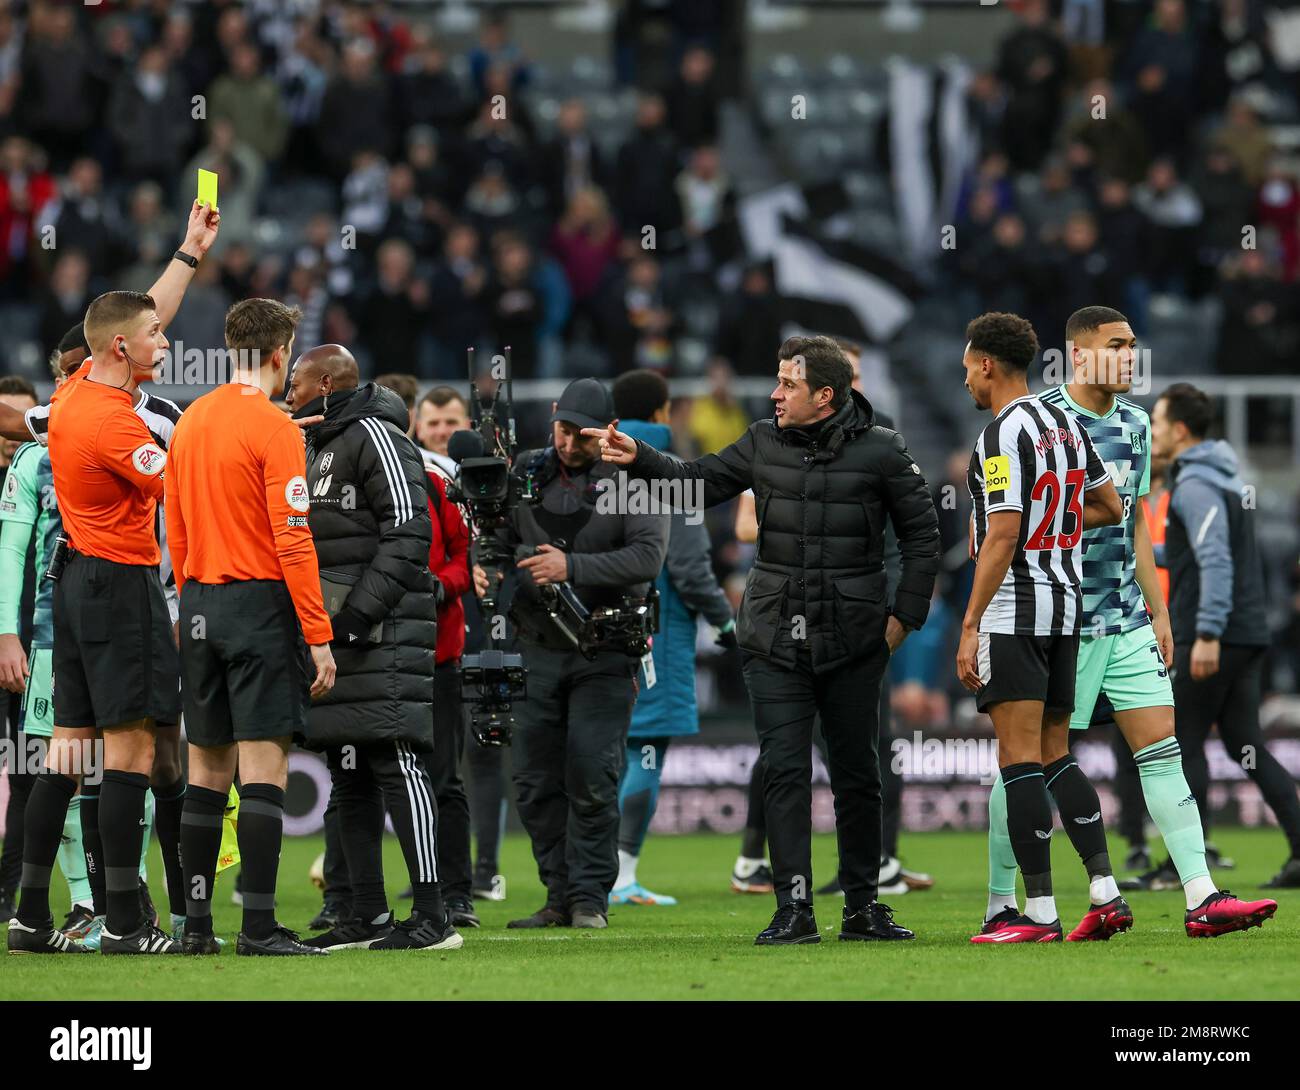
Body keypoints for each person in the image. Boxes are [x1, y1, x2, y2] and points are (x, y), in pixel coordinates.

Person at [590, 335, 940, 945]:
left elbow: (924, 538)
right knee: (784, 771)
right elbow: (694, 481)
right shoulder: (761, 440)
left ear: (825, 396)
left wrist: (902, 620)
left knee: (858, 773)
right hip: (775, 637)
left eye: (788, 385)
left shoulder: (885, 450)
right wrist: (639, 455)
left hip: (855, 640)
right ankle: (795, 908)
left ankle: (862, 908)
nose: (775, 394)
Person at [982, 306, 1278, 941]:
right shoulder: (1043, 422)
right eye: (1117, 346)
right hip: (1058, 619)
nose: (1130, 357)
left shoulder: (1138, 425)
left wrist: (1160, 607)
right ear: (1080, 355)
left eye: (1133, 345)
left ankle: (1201, 897)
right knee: (1025, 762)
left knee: (1162, 752)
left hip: (1124, 618)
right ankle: (1001, 900)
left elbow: (1136, 521)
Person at [7, 289, 185, 956]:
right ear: (121, 348)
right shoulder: (114, 424)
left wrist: (190, 252)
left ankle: (29, 918)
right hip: (122, 584)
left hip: (75, 584)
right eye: (157, 336)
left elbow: (127, 312)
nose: (166, 344)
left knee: (68, 751)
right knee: (131, 752)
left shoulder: (75, 391)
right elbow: (181, 484)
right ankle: (123, 926)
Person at [167, 299, 336, 957]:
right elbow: (293, 539)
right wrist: (317, 635)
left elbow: (174, 528)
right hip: (259, 605)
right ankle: (259, 928)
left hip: (202, 603)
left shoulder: (190, 421)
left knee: (206, 774)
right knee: (263, 769)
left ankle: (199, 928)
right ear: (278, 353)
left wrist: (188, 604)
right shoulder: (276, 428)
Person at [955, 311, 1125, 945]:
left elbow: (1000, 532)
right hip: (1068, 607)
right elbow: (1111, 505)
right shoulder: (1066, 423)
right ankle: (1105, 892)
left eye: (968, 366)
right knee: (1057, 753)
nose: (966, 378)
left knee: (1018, 759)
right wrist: (1055, 516)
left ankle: (1042, 914)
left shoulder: (1000, 435)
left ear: (987, 365)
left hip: (1016, 612)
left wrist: (970, 624)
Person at [286, 345, 462, 952]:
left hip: (381, 634)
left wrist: (358, 617)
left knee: (396, 761)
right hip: (334, 637)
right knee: (348, 772)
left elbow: (410, 532)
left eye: (296, 382)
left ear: (327, 382)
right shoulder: (312, 444)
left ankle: (433, 915)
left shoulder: (376, 435)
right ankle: (366, 914)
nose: (287, 392)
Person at [477, 378, 669, 929]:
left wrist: (571, 567)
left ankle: (589, 897)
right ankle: (558, 894)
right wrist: (489, 568)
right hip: (536, 644)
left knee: (591, 770)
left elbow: (647, 559)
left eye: (580, 435)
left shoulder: (635, 479)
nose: (566, 444)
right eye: (561, 429)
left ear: (607, 429)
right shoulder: (525, 473)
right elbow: (497, 539)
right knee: (534, 780)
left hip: (606, 650)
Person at [1150, 382, 1300, 890]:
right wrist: (1146, 555)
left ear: (1181, 430)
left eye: (1157, 424)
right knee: (1244, 744)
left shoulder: (1194, 486)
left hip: (1215, 634)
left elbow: (1214, 560)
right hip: (1245, 633)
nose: (1151, 434)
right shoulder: (1223, 479)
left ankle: (1183, 865)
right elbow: (1199, 553)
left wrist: (1209, 631)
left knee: (1181, 742)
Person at [608, 370, 735, 907]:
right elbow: (686, 564)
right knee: (647, 749)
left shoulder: (596, 464)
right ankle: (619, 876)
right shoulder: (670, 472)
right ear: (662, 413)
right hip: (656, 631)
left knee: (605, 748)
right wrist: (724, 620)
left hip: (596, 624)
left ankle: (588, 872)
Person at [414, 383, 510, 900]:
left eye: (453, 424)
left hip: (478, 628)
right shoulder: (418, 477)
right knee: (424, 769)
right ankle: (435, 880)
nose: (443, 433)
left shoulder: (487, 476)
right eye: (434, 423)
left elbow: (472, 551)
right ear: (416, 425)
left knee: (481, 751)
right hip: (437, 636)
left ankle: (481, 873)